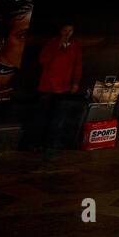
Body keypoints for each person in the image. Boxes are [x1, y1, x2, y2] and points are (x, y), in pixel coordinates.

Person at [35, 24, 82, 153]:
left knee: (59, 116)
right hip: (48, 85)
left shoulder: (75, 45)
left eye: (70, 30)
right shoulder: (53, 43)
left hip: (64, 86)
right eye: (65, 30)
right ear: (60, 31)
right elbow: (43, 59)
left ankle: (52, 143)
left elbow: (77, 65)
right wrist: (59, 44)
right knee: (43, 115)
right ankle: (37, 143)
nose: (68, 33)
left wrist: (75, 83)